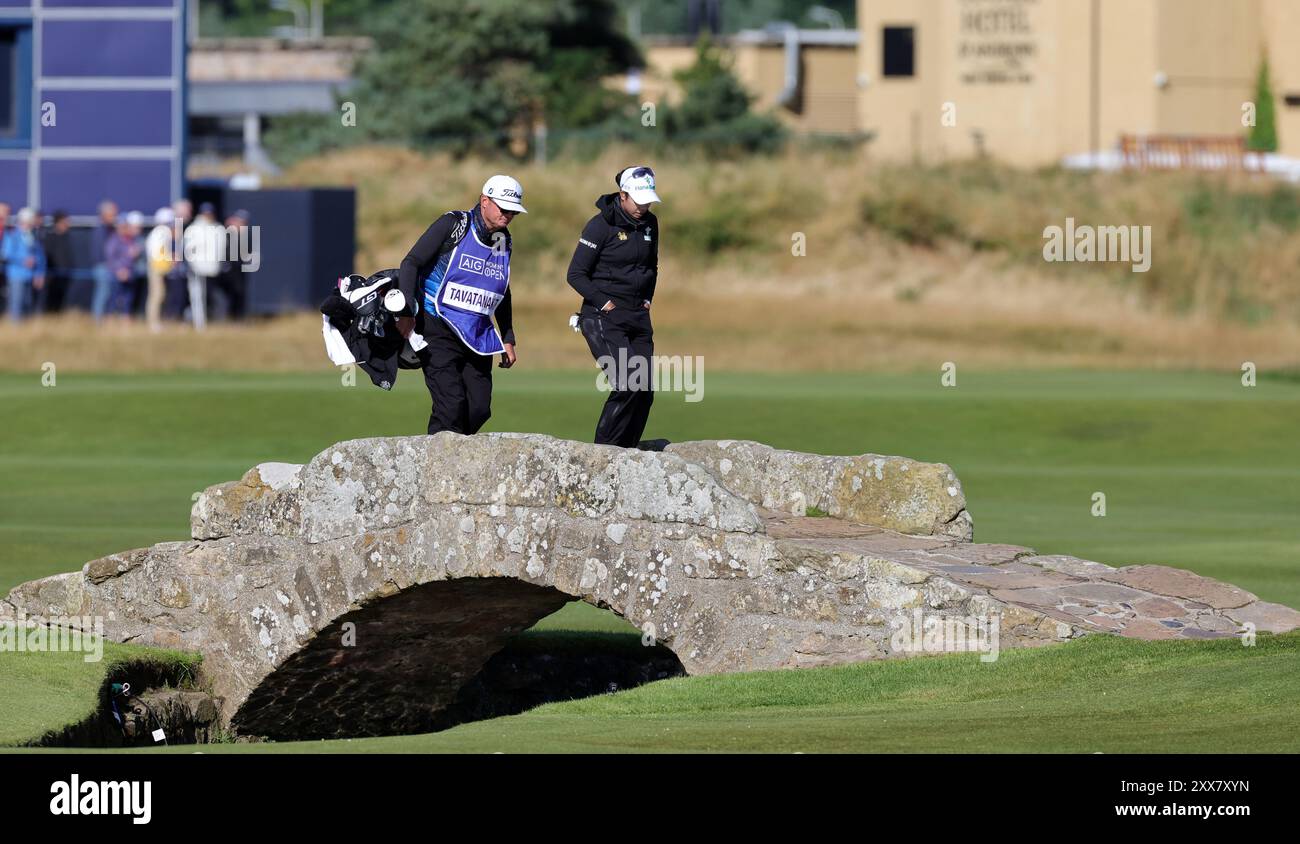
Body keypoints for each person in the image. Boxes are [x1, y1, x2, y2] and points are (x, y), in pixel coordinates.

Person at [396, 175, 524, 435]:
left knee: (479, 409)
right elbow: (411, 263)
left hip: (477, 332)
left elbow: (500, 288)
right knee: (450, 407)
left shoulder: (503, 240)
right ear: (484, 201)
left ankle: (452, 461)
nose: (508, 215)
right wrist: (406, 312)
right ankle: (435, 468)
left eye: (513, 211)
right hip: (436, 325)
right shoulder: (453, 224)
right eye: (503, 208)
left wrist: (507, 336)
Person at [566, 165, 661, 447]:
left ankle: (626, 452)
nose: (644, 206)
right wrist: (604, 303)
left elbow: (651, 266)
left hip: (638, 316)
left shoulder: (650, 223)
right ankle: (603, 454)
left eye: (648, 201)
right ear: (622, 195)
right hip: (602, 317)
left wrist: (648, 299)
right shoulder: (600, 225)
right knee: (628, 382)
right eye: (639, 200)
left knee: (644, 389)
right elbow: (575, 274)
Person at [183, 202, 222, 330]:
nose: (208, 216)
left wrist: (216, 265)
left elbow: (221, 250)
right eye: (206, 213)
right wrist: (193, 265)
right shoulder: (193, 229)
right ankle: (199, 324)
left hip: (212, 270)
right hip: (197, 269)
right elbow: (188, 250)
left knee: (210, 297)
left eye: (210, 213)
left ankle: (209, 321)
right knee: (197, 297)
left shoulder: (218, 228)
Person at [2, 207, 46, 322]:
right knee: (16, 303)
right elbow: (6, 255)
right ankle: (15, 330)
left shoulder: (33, 236)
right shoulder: (12, 235)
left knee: (27, 303)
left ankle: (26, 330)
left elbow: (39, 256)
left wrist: (39, 273)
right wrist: (23, 261)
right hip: (16, 275)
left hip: (29, 275)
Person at [145, 207, 176, 332]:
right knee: (156, 295)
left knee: (158, 294)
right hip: (156, 268)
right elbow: (158, 253)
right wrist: (169, 261)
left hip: (157, 267)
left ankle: (155, 322)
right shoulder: (161, 232)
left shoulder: (159, 232)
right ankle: (153, 323)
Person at [38, 211, 75, 314]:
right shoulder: (50, 237)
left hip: (65, 275)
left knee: (62, 301)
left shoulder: (67, 237)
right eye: (65, 222)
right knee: (51, 301)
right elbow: (47, 256)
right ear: (58, 223)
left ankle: (58, 322)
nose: (68, 224)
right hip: (53, 276)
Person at [90, 200, 118, 324]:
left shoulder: (111, 230)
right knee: (102, 294)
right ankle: (97, 322)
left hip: (109, 267)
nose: (115, 217)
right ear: (104, 214)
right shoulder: (100, 231)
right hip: (102, 267)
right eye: (112, 214)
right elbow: (101, 252)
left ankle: (105, 320)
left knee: (108, 294)